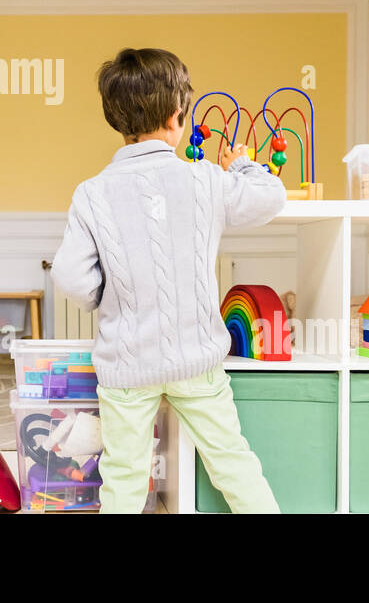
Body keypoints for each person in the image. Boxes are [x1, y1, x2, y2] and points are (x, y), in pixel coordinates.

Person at [50, 47, 287, 513]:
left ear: (117, 121)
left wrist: (107, 294)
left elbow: (71, 276)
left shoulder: (92, 193)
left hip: (127, 364)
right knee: (232, 461)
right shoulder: (206, 180)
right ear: (179, 117)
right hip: (196, 358)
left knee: (124, 476)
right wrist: (239, 164)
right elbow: (270, 197)